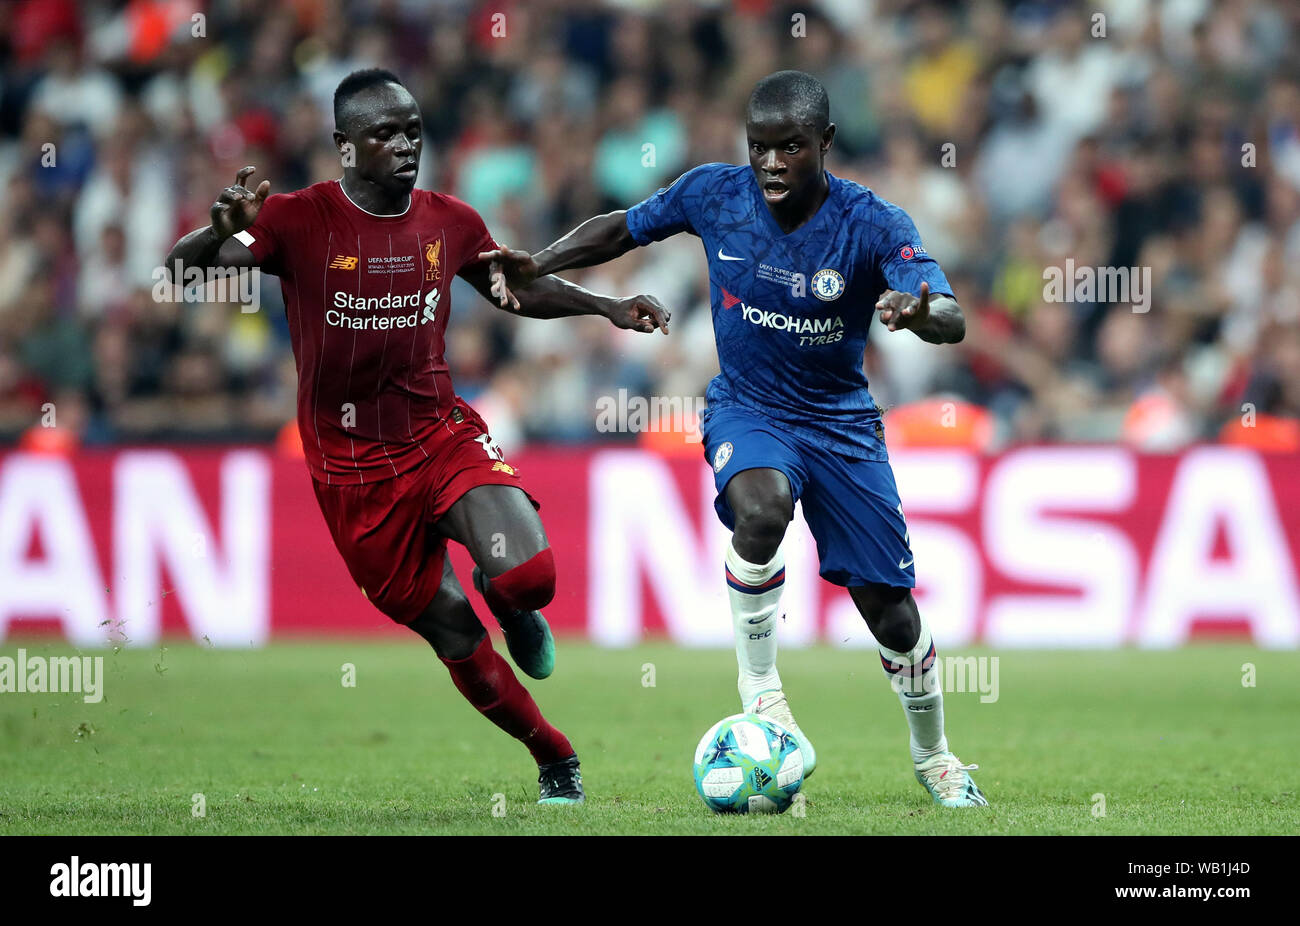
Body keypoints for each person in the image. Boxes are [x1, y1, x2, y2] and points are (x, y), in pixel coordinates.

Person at [164, 68, 670, 805]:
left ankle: (515, 605)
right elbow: (180, 277)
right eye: (384, 134)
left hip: (438, 433)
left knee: (531, 576)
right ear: (344, 146)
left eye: (413, 131)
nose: (406, 145)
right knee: (456, 638)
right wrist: (212, 232)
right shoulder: (297, 221)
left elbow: (512, 284)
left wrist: (607, 306)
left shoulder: (449, 220)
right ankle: (554, 754)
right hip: (351, 472)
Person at [482, 70, 987, 807]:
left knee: (893, 614)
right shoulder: (714, 193)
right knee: (761, 511)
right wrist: (542, 260)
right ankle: (762, 690)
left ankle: (935, 757)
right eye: (760, 148)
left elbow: (952, 317)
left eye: (791, 148)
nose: (773, 164)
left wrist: (919, 314)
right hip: (747, 408)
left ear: (826, 143)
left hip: (842, 424)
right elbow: (622, 226)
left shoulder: (873, 224)